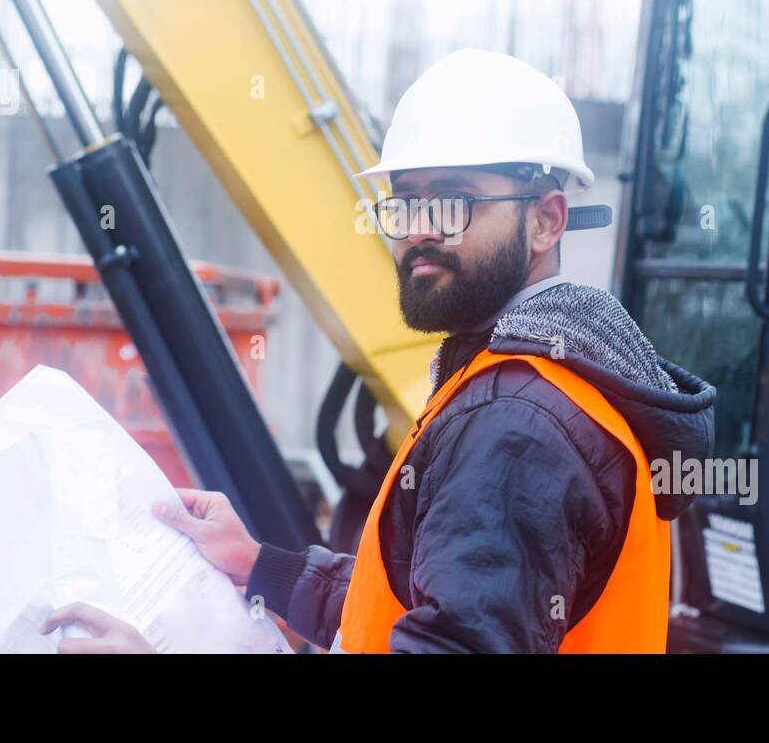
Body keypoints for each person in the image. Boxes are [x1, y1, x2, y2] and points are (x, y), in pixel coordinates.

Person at [42, 49, 715, 653]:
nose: (419, 230)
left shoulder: (518, 425)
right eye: (405, 203)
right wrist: (257, 565)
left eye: (452, 203)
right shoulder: (547, 385)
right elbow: (411, 606)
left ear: (546, 220)